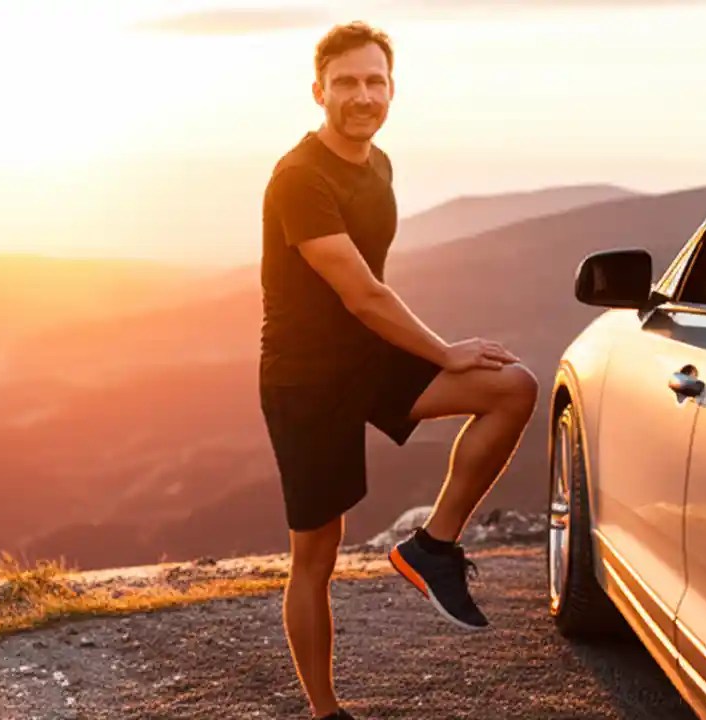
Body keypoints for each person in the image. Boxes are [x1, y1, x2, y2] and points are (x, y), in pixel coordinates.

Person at [258, 20, 539, 720]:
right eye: (346, 82)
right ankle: (326, 712)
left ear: (392, 89)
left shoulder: (376, 163)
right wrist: (442, 351)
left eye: (374, 81)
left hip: (368, 357)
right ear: (318, 91)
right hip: (306, 379)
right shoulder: (300, 178)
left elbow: (370, 297)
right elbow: (362, 292)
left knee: (512, 388)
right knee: (316, 554)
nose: (362, 95)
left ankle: (432, 546)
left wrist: (423, 352)